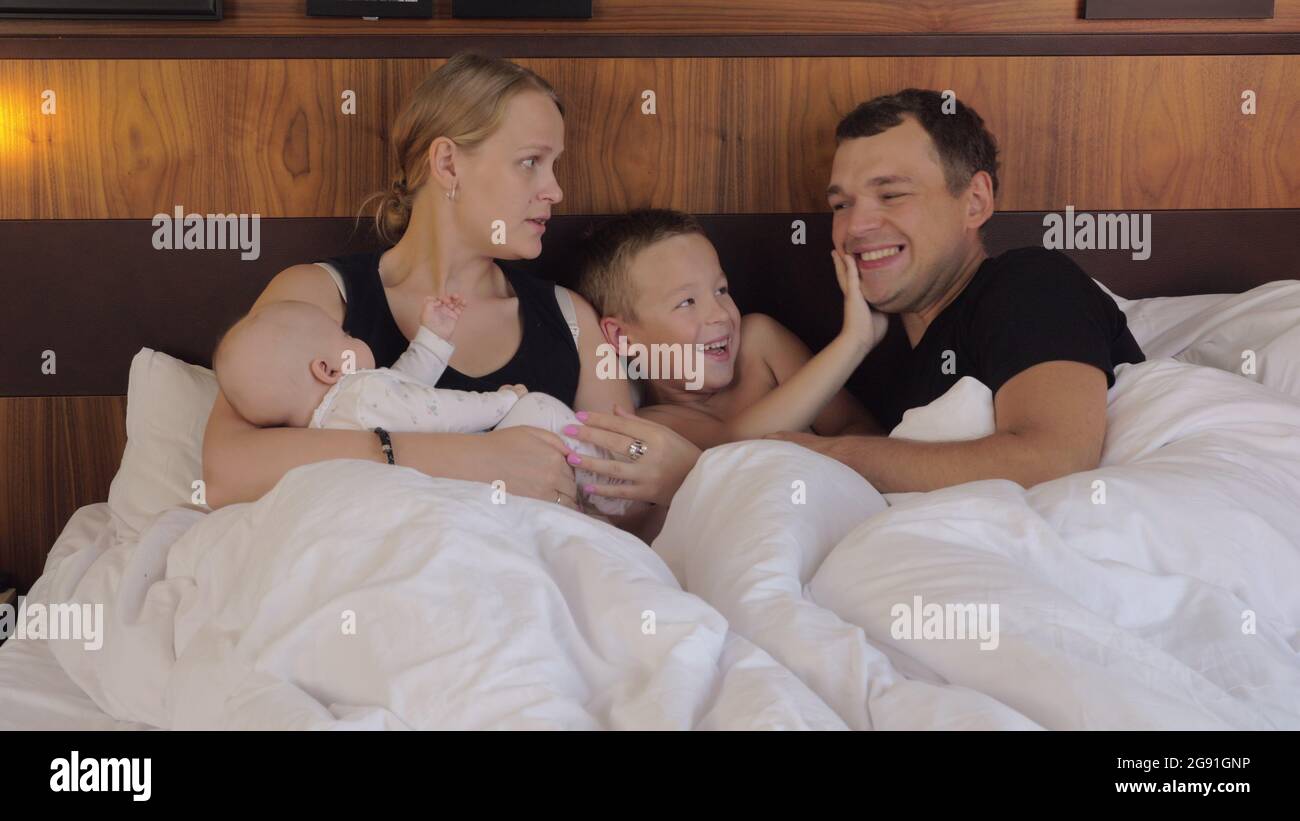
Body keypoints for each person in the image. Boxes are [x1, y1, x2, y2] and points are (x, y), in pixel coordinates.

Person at [201, 52, 700, 540]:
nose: (555, 190)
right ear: (447, 163)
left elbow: (623, 517)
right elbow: (224, 475)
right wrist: (478, 461)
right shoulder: (317, 298)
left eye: (554, 165)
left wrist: (676, 476)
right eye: (530, 162)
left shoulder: (571, 319)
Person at [766, 89, 1145, 492]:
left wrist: (826, 456)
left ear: (974, 202)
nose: (855, 226)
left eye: (891, 195)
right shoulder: (882, 358)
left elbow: (1054, 459)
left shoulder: (1030, 283)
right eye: (841, 205)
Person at [575, 208, 883, 450]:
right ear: (623, 338)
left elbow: (860, 429)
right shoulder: (652, 425)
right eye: (686, 302)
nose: (719, 314)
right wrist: (853, 341)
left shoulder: (758, 342)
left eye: (721, 290)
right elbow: (735, 443)